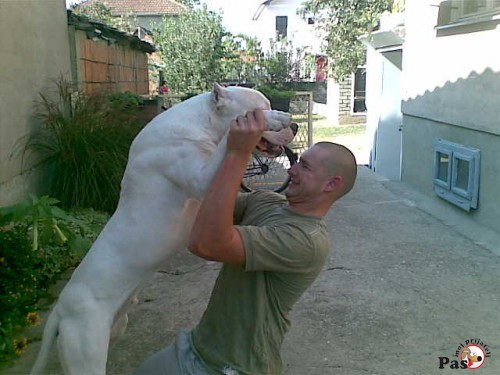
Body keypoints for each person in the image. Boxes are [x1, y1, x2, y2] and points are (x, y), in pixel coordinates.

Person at [133, 109, 358, 375]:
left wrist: (239, 153)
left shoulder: (306, 242)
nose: (293, 169)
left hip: (234, 366)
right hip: (199, 344)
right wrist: (219, 141)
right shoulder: (268, 202)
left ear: (331, 184)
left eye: (305, 167)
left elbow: (206, 243)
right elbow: (209, 204)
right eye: (298, 161)